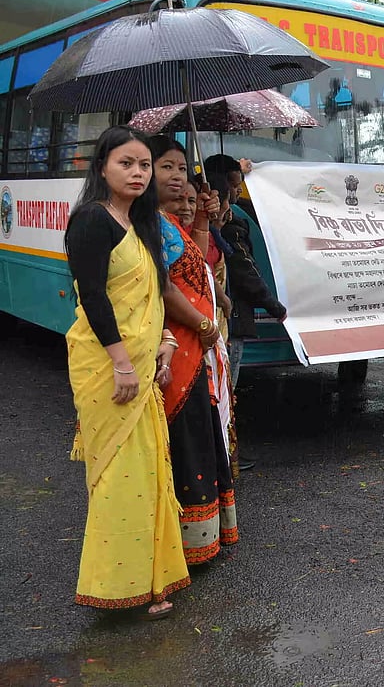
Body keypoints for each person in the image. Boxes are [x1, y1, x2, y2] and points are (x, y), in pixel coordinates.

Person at [64, 125, 190, 619]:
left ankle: (149, 579)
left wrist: (162, 341)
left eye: (143, 165)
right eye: (127, 164)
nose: (138, 173)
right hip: (109, 367)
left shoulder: (140, 224)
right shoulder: (91, 221)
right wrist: (121, 363)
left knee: (151, 472)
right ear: (102, 168)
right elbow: (94, 298)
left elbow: (152, 294)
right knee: (120, 475)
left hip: (142, 363)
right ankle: (118, 588)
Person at [148, 137, 239, 565]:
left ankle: (204, 538)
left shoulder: (172, 225)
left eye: (182, 168)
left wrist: (202, 216)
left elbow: (196, 263)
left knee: (201, 433)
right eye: (166, 167)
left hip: (195, 346)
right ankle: (184, 544)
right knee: (184, 438)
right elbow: (166, 289)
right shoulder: (146, 224)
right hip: (177, 344)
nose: (178, 177)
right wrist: (202, 324)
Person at [204, 154, 287, 393]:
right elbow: (244, 271)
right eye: (233, 184)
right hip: (230, 321)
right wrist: (275, 307)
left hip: (224, 320)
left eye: (240, 183)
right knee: (224, 389)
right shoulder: (226, 226)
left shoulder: (228, 220)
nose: (238, 190)